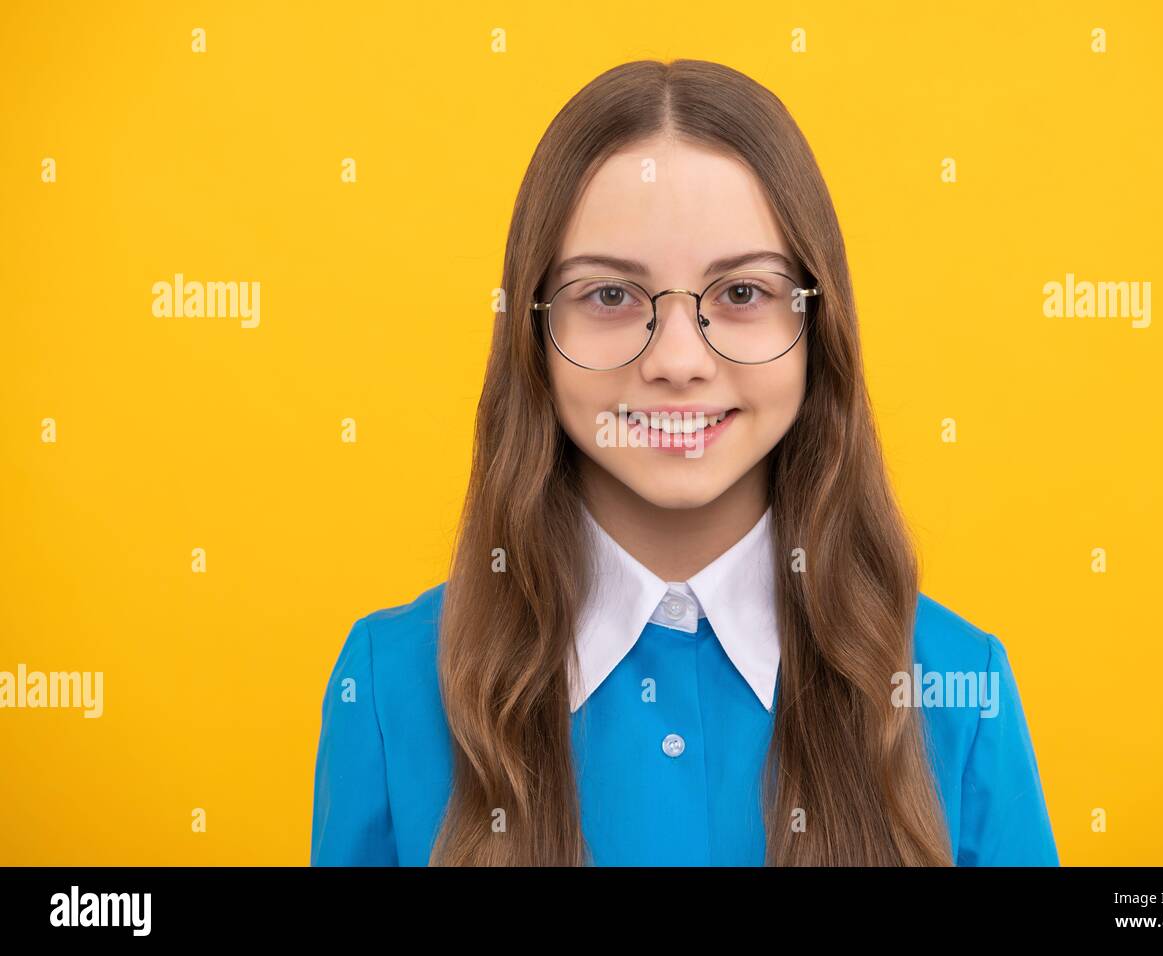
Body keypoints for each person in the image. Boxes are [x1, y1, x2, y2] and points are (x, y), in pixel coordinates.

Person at [311, 58, 1058, 866]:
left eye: (740, 294)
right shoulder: (389, 688)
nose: (677, 360)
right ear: (533, 332)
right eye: (609, 296)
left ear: (818, 327)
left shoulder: (958, 688)